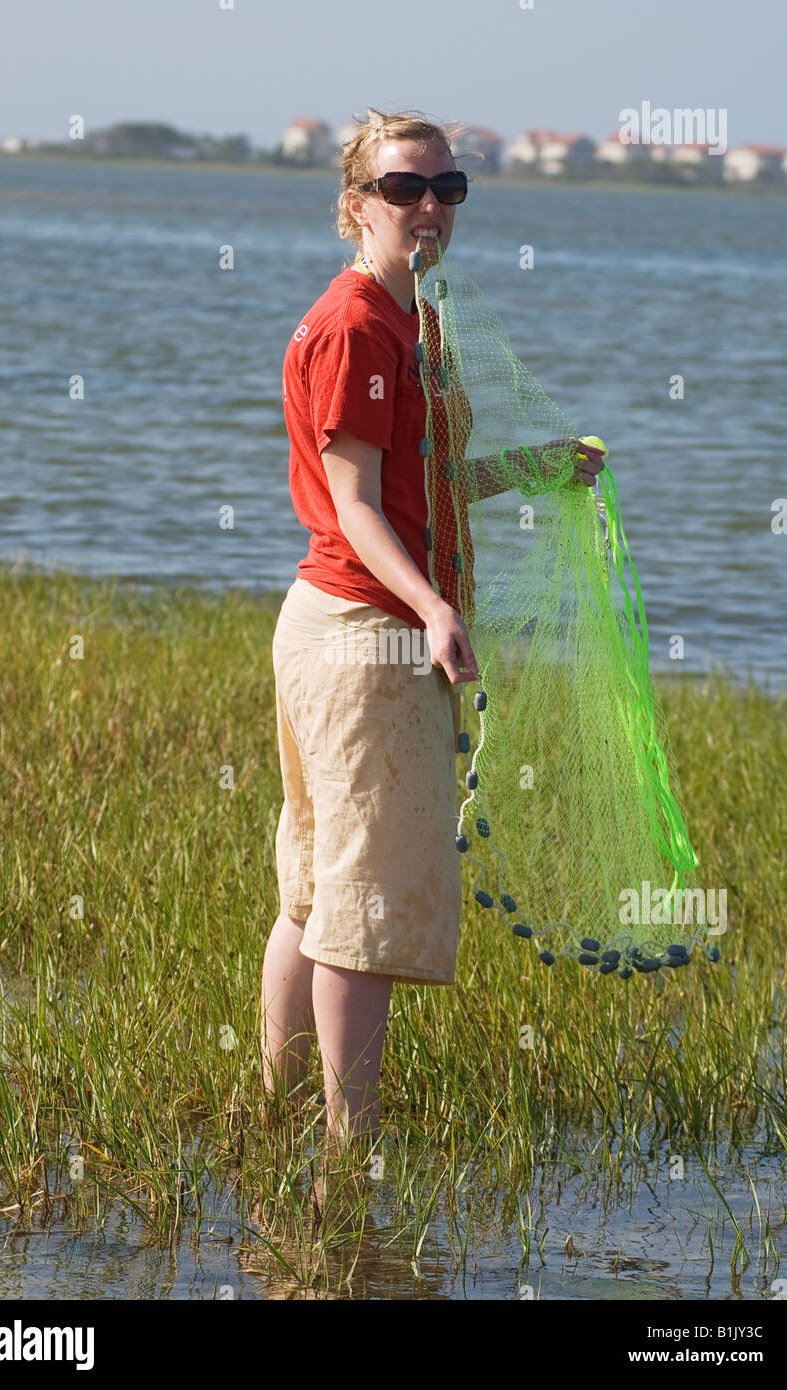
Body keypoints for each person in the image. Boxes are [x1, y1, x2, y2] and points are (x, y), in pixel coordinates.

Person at [261, 107, 605, 1152]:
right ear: (357, 203)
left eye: (448, 190)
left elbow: (430, 485)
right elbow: (355, 501)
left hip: (349, 622)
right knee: (357, 911)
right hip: (362, 636)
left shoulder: (423, 319)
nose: (429, 208)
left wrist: (529, 467)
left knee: (317, 888)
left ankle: (271, 1113)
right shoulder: (363, 322)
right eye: (406, 188)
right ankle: (346, 1149)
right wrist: (434, 607)